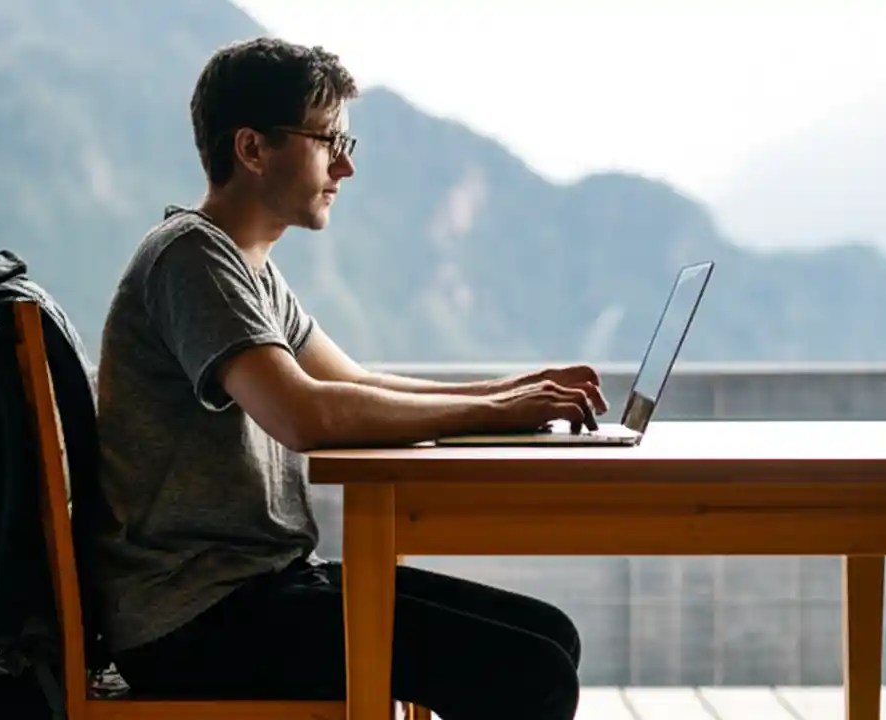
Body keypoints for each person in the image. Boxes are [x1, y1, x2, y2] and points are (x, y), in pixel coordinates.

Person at [90, 37, 606, 720]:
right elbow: (306, 415)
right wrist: (496, 412)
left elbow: (356, 383)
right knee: (531, 672)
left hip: (255, 588)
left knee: (551, 639)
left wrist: (512, 393)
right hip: (194, 617)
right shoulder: (191, 261)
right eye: (328, 140)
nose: (345, 167)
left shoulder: (249, 269)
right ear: (252, 148)